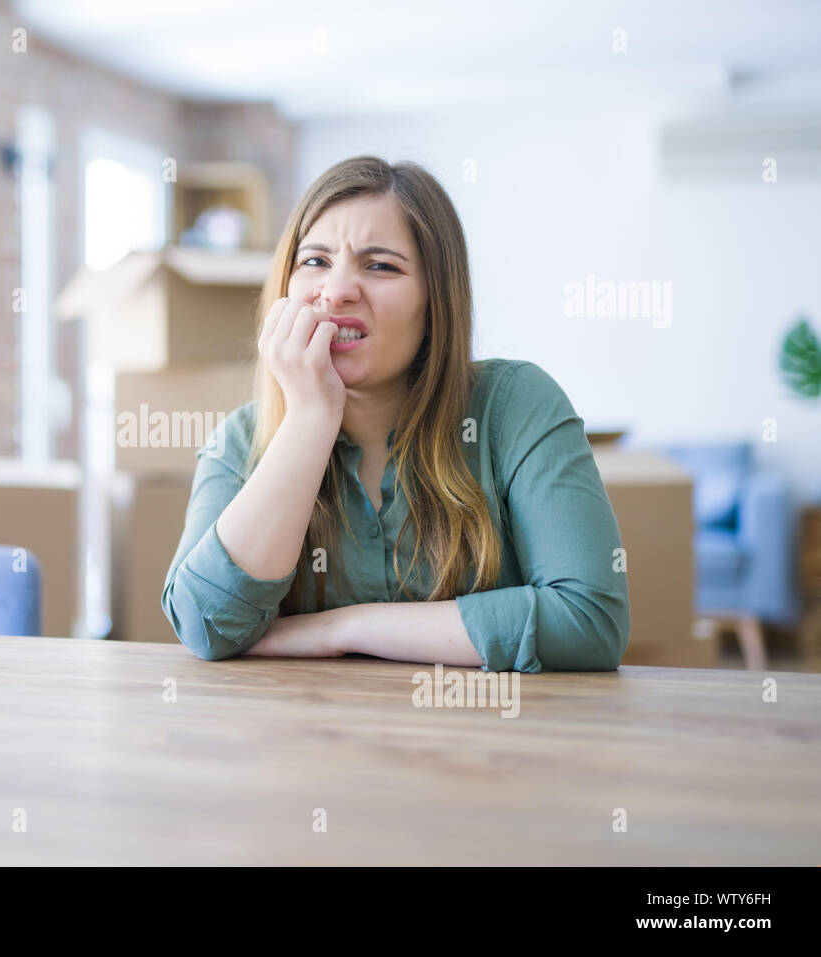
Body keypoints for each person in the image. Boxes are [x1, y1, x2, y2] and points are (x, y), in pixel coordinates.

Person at [160, 155, 630, 672]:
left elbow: (589, 621)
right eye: (315, 261)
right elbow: (204, 624)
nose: (336, 291)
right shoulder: (241, 440)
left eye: (380, 265)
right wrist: (311, 418)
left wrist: (344, 628)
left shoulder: (516, 406)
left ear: (436, 299)